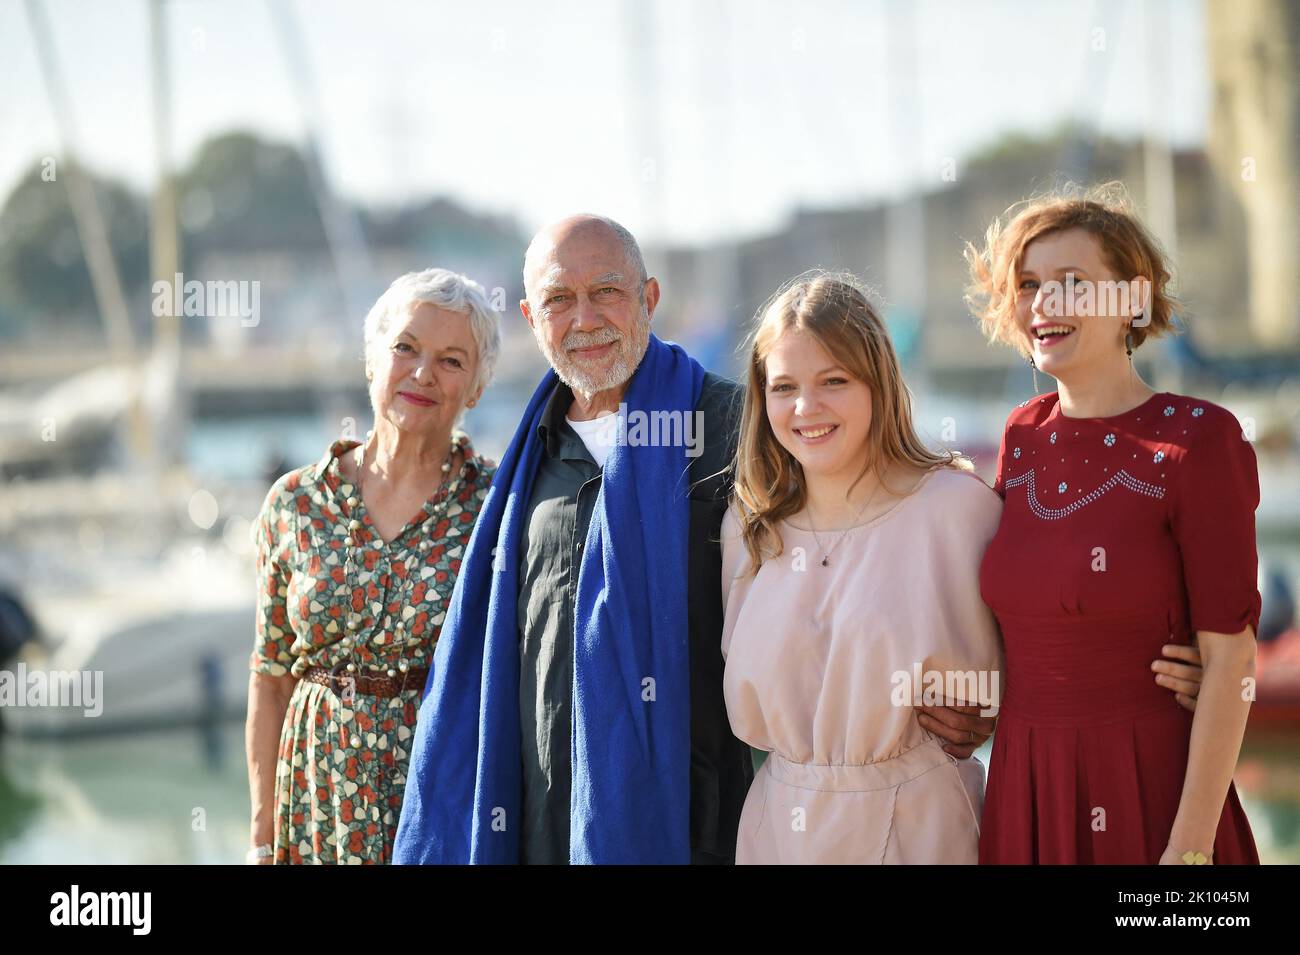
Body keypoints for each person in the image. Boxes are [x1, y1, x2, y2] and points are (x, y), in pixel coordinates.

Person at [966, 184, 1260, 864]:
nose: (1044, 303)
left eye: (1073, 283)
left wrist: (1186, 851)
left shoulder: (1199, 440)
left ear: (1132, 298)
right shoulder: (1021, 435)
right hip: (1025, 787)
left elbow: (1232, 659)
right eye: (1030, 284)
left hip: (1154, 796)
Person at [721, 271, 1003, 864]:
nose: (806, 407)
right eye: (784, 386)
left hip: (920, 827)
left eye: (834, 380)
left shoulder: (955, 509)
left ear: (878, 383)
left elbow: (1042, 661)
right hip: (779, 832)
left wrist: (987, 709)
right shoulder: (748, 530)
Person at [244, 268, 500, 864]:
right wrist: (261, 837)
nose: (422, 373)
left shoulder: (498, 506)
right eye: (405, 348)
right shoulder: (295, 502)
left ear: (477, 389)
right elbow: (271, 674)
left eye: (451, 360)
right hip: (313, 800)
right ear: (371, 361)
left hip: (441, 798)